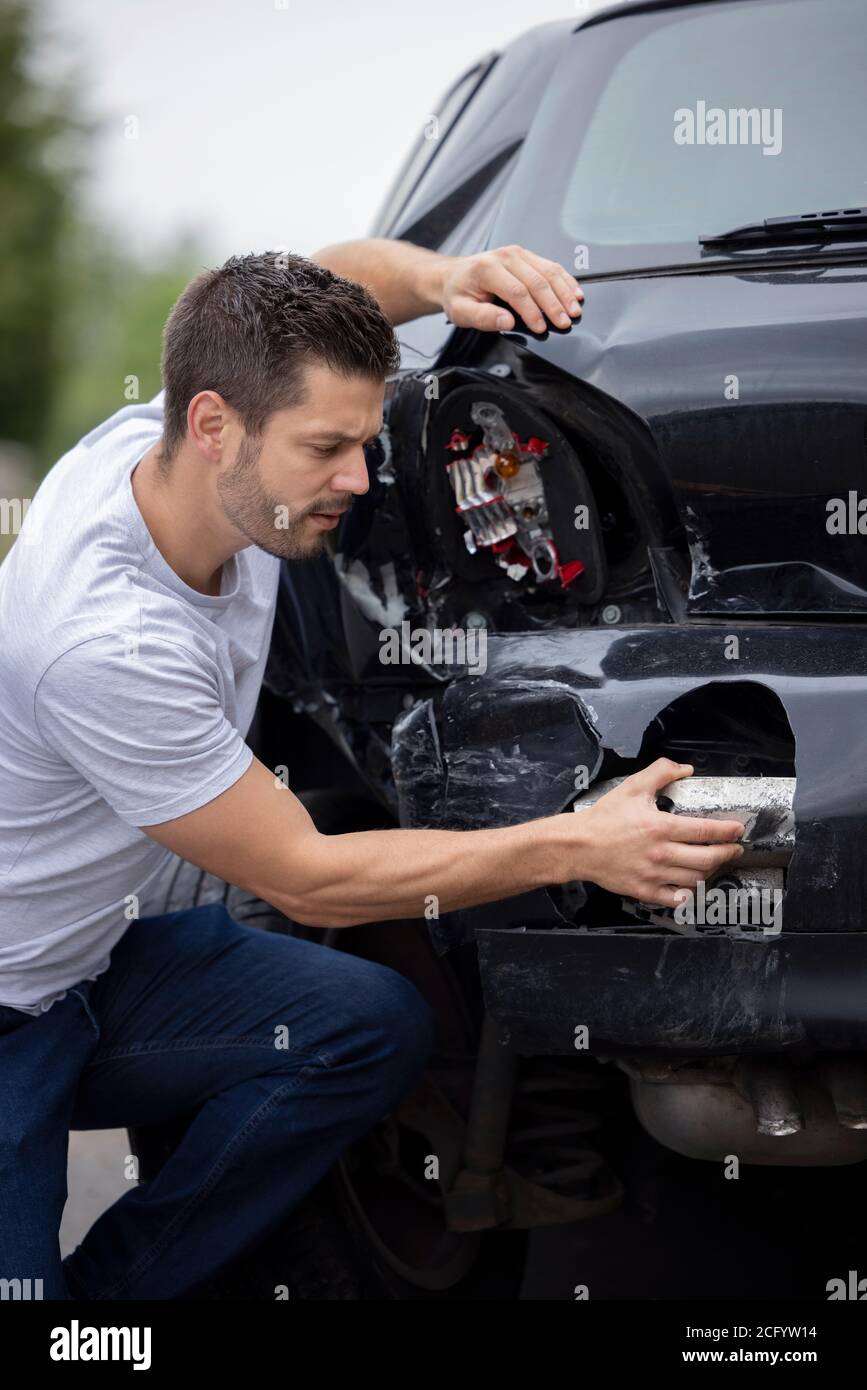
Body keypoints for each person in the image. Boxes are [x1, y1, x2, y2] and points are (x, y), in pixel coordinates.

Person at [0, 240, 744, 1300]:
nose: (357, 477)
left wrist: (447, 282)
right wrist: (585, 840)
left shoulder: (176, 433)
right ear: (213, 426)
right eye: (326, 449)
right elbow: (301, 875)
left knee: (365, 1027)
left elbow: (327, 280)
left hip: (88, 966)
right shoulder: (105, 640)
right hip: (8, 1009)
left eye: (362, 439)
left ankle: (121, 1294)